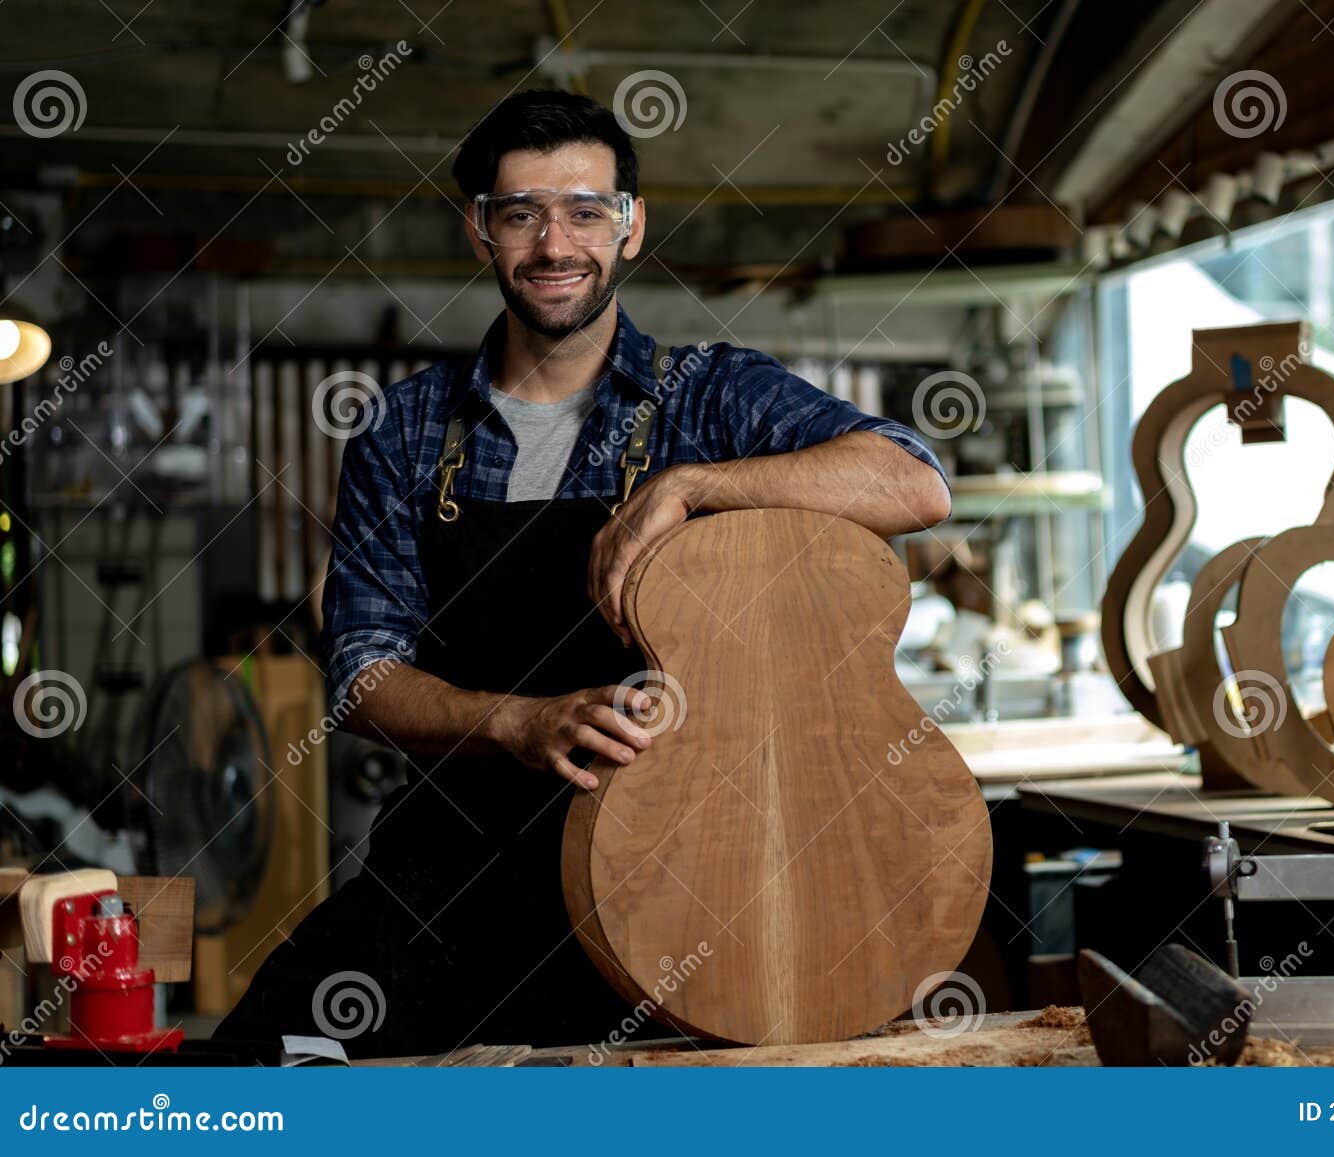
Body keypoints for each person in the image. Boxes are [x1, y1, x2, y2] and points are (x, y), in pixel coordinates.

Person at [217, 89, 951, 1057]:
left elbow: (913, 480)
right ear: (479, 231)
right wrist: (518, 720)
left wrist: (691, 484)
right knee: (244, 1080)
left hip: (680, 875)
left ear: (630, 226)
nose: (554, 243)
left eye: (585, 210)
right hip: (450, 868)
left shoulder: (713, 397)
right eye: (521, 213)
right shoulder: (404, 427)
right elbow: (360, 672)